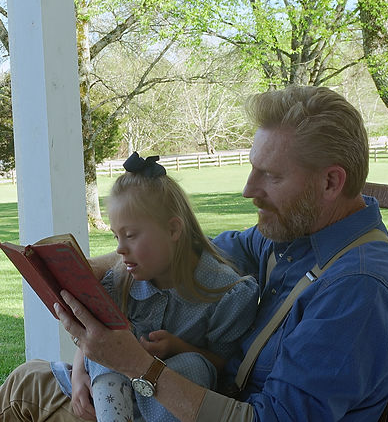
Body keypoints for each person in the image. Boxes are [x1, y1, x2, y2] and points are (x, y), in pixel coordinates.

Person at [0, 85, 388, 422]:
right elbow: (183, 251)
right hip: (188, 400)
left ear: (330, 183)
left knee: (24, 395)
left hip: (201, 406)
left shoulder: (360, 291)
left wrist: (135, 363)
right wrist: (82, 274)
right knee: (31, 380)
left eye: (271, 176)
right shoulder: (292, 236)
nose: (248, 190)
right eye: (251, 167)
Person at [49, 152, 257, 422]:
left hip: (176, 405)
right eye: (116, 236)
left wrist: (177, 346)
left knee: (190, 366)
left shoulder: (225, 292)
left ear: (173, 230)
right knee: (109, 349)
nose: (119, 249)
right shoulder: (121, 281)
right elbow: (95, 341)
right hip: (116, 406)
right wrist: (78, 376)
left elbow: (225, 367)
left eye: (131, 235)